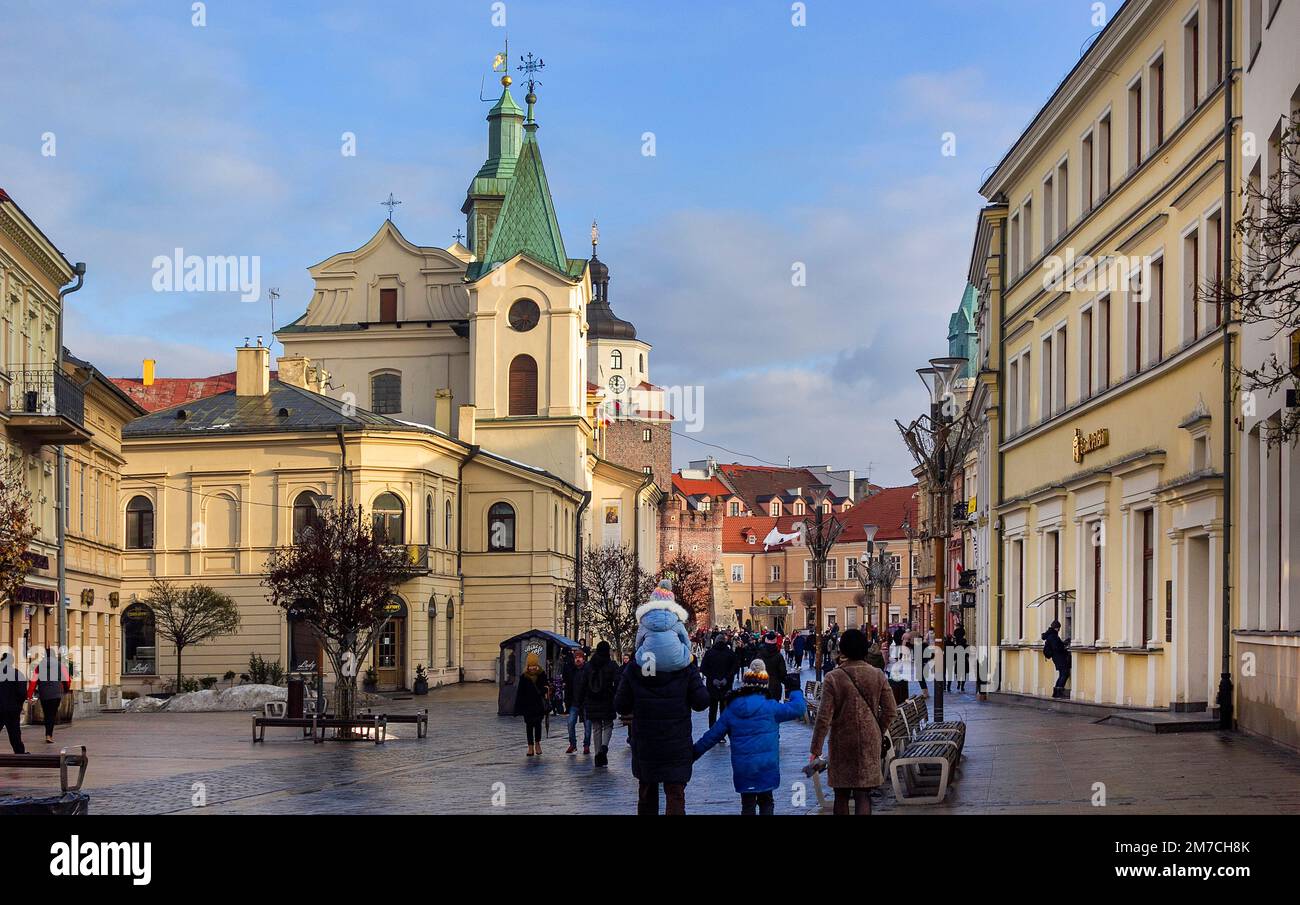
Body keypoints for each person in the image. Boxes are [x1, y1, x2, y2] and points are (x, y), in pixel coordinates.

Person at [614, 631, 711, 815]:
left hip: (646, 742)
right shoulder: (684, 665)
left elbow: (621, 704)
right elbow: (701, 702)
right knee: (675, 793)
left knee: (647, 793)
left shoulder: (637, 665)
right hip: (677, 742)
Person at [693, 661, 805, 815]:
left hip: (743, 768)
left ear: (745, 685)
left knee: (747, 804)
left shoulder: (733, 708)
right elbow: (798, 708)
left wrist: (693, 753)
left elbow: (712, 735)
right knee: (766, 801)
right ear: (765, 685)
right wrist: (795, 689)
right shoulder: (771, 707)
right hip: (766, 765)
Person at [809, 628, 897, 815]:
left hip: (842, 741)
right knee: (863, 794)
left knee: (841, 794)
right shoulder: (877, 675)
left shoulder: (833, 677)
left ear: (843, 649)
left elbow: (823, 717)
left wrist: (815, 749)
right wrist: (876, 729)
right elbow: (891, 710)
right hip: (868, 741)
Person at [575, 641, 620, 765]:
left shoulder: (589, 666)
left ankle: (597, 755)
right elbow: (618, 683)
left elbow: (583, 684)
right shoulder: (612, 665)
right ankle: (604, 747)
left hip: (592, 700)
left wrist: (579, 702)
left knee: (596, 728)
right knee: (608, 725)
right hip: (607, 699)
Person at [26, 648, 69, 745]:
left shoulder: (39, 666)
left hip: (44, 693)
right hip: (56, 693)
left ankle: (48, 734)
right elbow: (66, 679)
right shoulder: (60, 666)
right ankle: (49, 735)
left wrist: (29, 695)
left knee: (47, 714)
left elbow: (33, 681)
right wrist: (66, 689)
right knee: (52, 714)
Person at [700, 635, 738, 735]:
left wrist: (713, 679)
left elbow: (703, 668)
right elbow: (735, 668)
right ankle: (722, 732)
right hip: (726, 685)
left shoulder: (709, 653)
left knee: (712, 710)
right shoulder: (730, 653)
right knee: (724, 710)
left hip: (712, 686)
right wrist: (726, 678)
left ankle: (713, 731)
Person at [515, 651, 550, 756]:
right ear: (528, 666)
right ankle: (530, 747)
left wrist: (542, 690)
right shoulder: (524, 677)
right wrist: (517, 708)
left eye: (534, 665)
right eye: (530, 666)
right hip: (528, 705)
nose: (532, 668)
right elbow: (520, 693)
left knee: (538, 725)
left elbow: (546, 687)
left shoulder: (542, 674)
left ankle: (537, 744)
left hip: (538, 705)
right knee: (529, 726)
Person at [564, 649, 591, 754]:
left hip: (586, 702)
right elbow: (568, 687)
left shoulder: (588, 670)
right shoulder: (572, 671)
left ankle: (586, 745)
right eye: (576, 657)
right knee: (570, 723)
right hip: (574, 702)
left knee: (587, 725)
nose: (577, 659)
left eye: (579, 657)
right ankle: (572, 744)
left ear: (583, 659)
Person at [0, 650, 27, 754]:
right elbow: (22, 693)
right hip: (12, 709)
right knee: (14, 732)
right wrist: (18, 705)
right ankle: (20, 753)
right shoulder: (17, 674)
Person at [1043, 619, 1071, 698]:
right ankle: (1059, 692)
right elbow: (1056, 647)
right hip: (1059, 657)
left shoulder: (1051, 635)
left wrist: (1063, 643)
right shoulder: (1053, 636)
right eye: (1058, 628)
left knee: (1062, 674)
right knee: (1064, 673)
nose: (1059, 629)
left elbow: (1056, 645)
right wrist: (1064, 647)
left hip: (1057, 657)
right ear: (1056, 628)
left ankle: (1056, 692)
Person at [758, 630, 787, 700]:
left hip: (761, 685)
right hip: (775, 686)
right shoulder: (779, 656)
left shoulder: (759, 655)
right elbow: (783, 672)